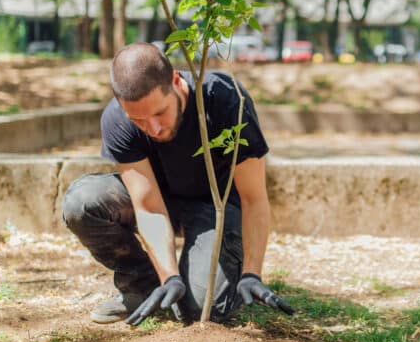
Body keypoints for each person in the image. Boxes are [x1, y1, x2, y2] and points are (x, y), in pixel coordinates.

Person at [62, 42, 293, 325]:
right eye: (139, 120)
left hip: (217, 210)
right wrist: (169, 276)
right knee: (82, 202)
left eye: (160, 113)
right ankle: (142, 287)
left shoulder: (226, 100)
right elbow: (147, 206)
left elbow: (253, 198)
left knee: (199, 311)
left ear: (175, 81)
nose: (153, 129)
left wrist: (251, 273)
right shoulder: (117, 119)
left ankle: (211, 276)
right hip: (164, 201)